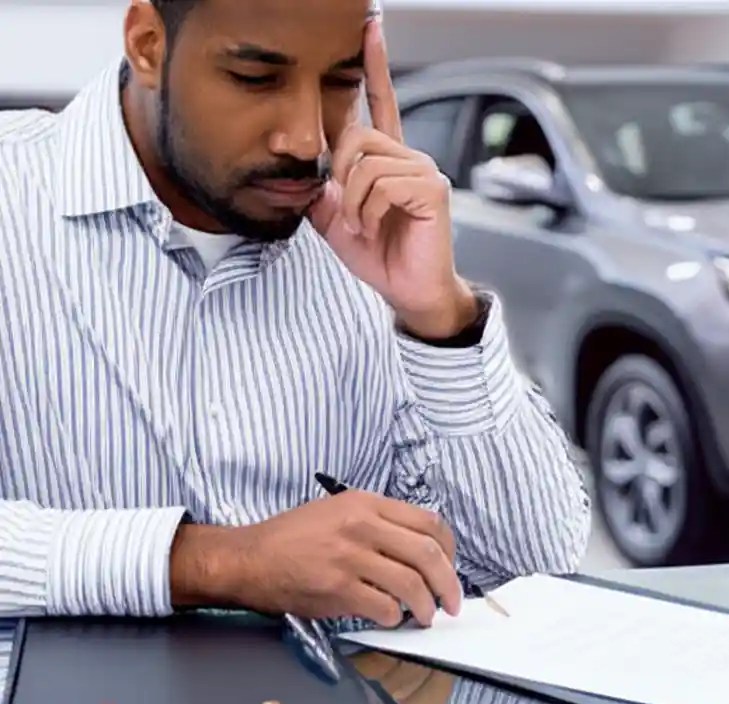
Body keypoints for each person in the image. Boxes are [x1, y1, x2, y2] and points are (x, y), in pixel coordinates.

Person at [0, 0, 591, 635]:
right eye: (255, 79)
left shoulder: (369, 230)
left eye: (342, 82)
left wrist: (439, 314)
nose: (307, 142)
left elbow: (536, 566)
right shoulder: (14, 196)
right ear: (147, 44)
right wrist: (219, 563)